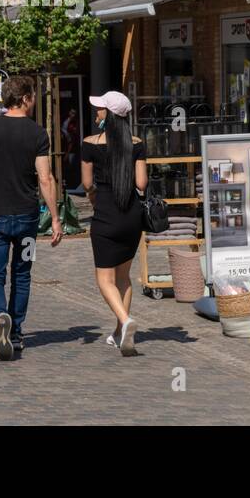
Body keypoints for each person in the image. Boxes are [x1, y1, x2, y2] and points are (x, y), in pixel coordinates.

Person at [0, 75, 63, 361]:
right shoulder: (37, 134)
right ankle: (16, 331)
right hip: (27, 218)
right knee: (22, 274)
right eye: (32, 96)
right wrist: (55, 217)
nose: (34, 100)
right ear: (25, 98)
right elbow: (45, 178)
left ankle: (0, 316)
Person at [80, 91, 148, 357]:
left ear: (109, 114)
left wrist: (94, 195)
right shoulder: (137, 143)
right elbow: (141, 183)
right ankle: (120, 332)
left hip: (106, 215)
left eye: (100, 109)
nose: (97, 113)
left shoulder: (90, 143)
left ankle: (125, 321)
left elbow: (87, 184)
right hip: (132, 216)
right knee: (123, 276)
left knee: (104, 280)